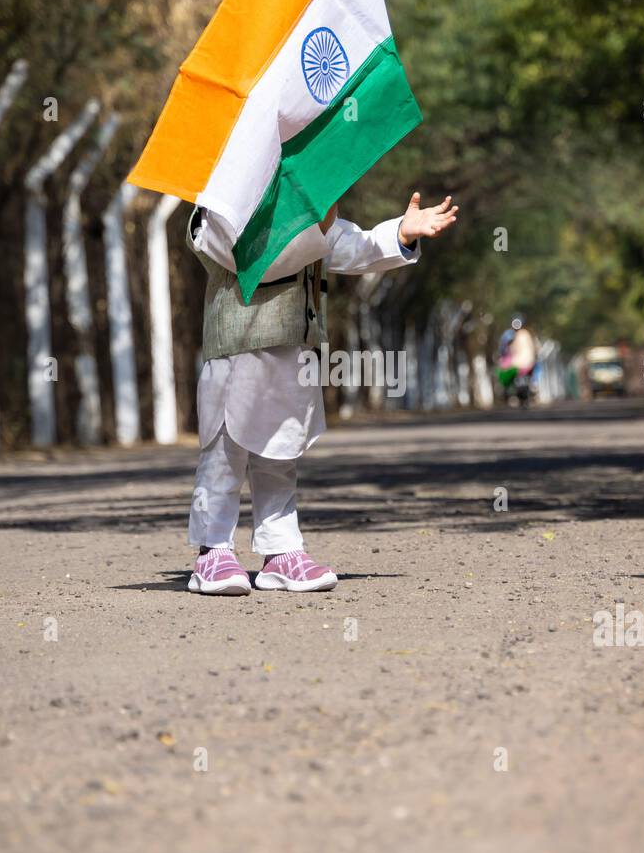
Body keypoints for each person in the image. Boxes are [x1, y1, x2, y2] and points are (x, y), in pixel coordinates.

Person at [187, 191, 458, 594]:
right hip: (236, 350)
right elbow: (253, 257)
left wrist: (401, 232)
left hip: (293, 352)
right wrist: (319, 222)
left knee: (281, 453)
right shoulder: (217, 209)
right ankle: (213, 550)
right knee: (225, 453)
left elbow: (352, 246)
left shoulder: (307, 214)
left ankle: (280, 551)